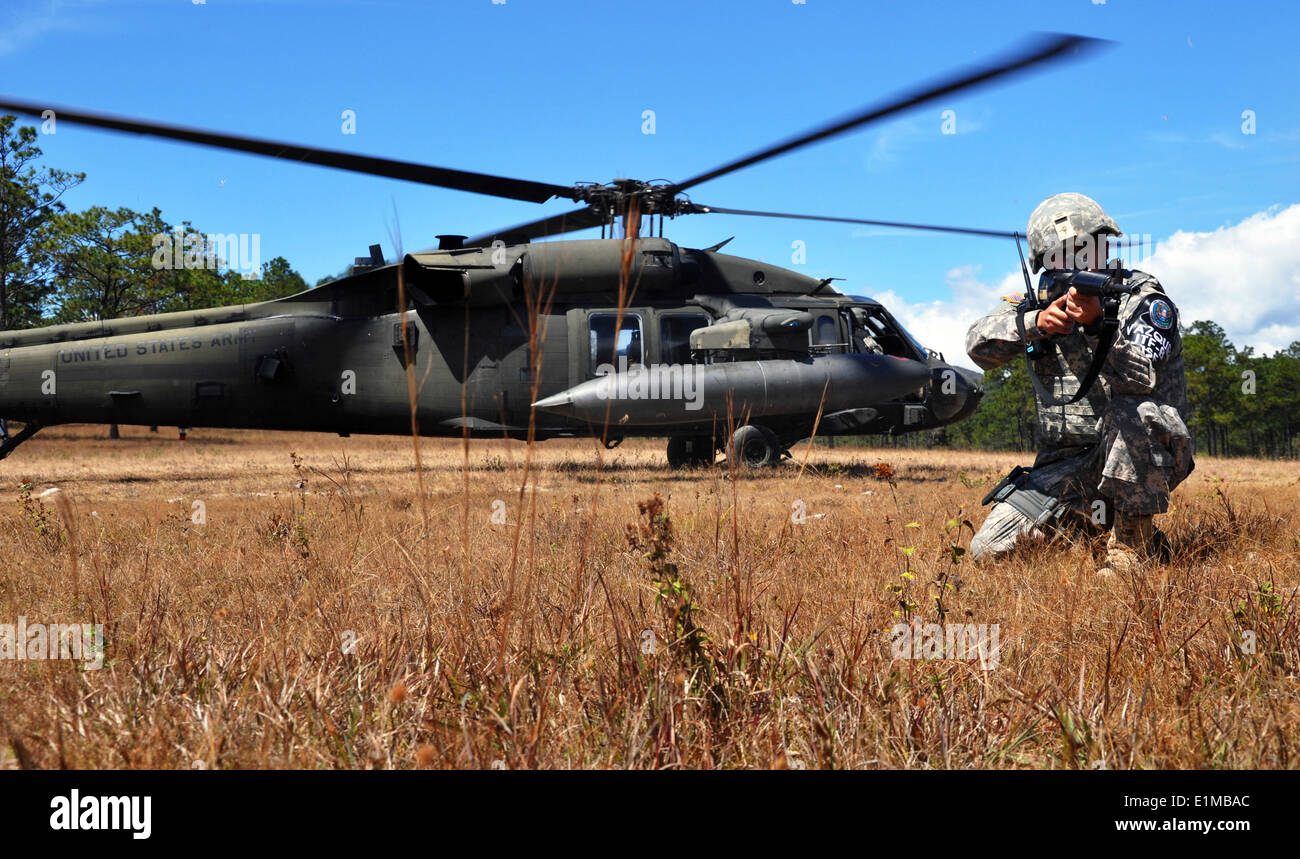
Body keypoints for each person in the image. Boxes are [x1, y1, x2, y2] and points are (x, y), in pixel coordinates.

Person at [964, 193, 1194, 575]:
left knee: (1132, 410)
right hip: (1066, 462)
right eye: (1067, 254)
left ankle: (1132, 550)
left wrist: (1094, 327)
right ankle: (1096, 527)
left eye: (1088, 248)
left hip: (1145, 448)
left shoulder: (1140, 299)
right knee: (989, 552)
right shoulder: (1034, 301)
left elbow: (1142, 377)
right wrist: (1034, 324)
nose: (1080, 261)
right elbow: (978, 347)